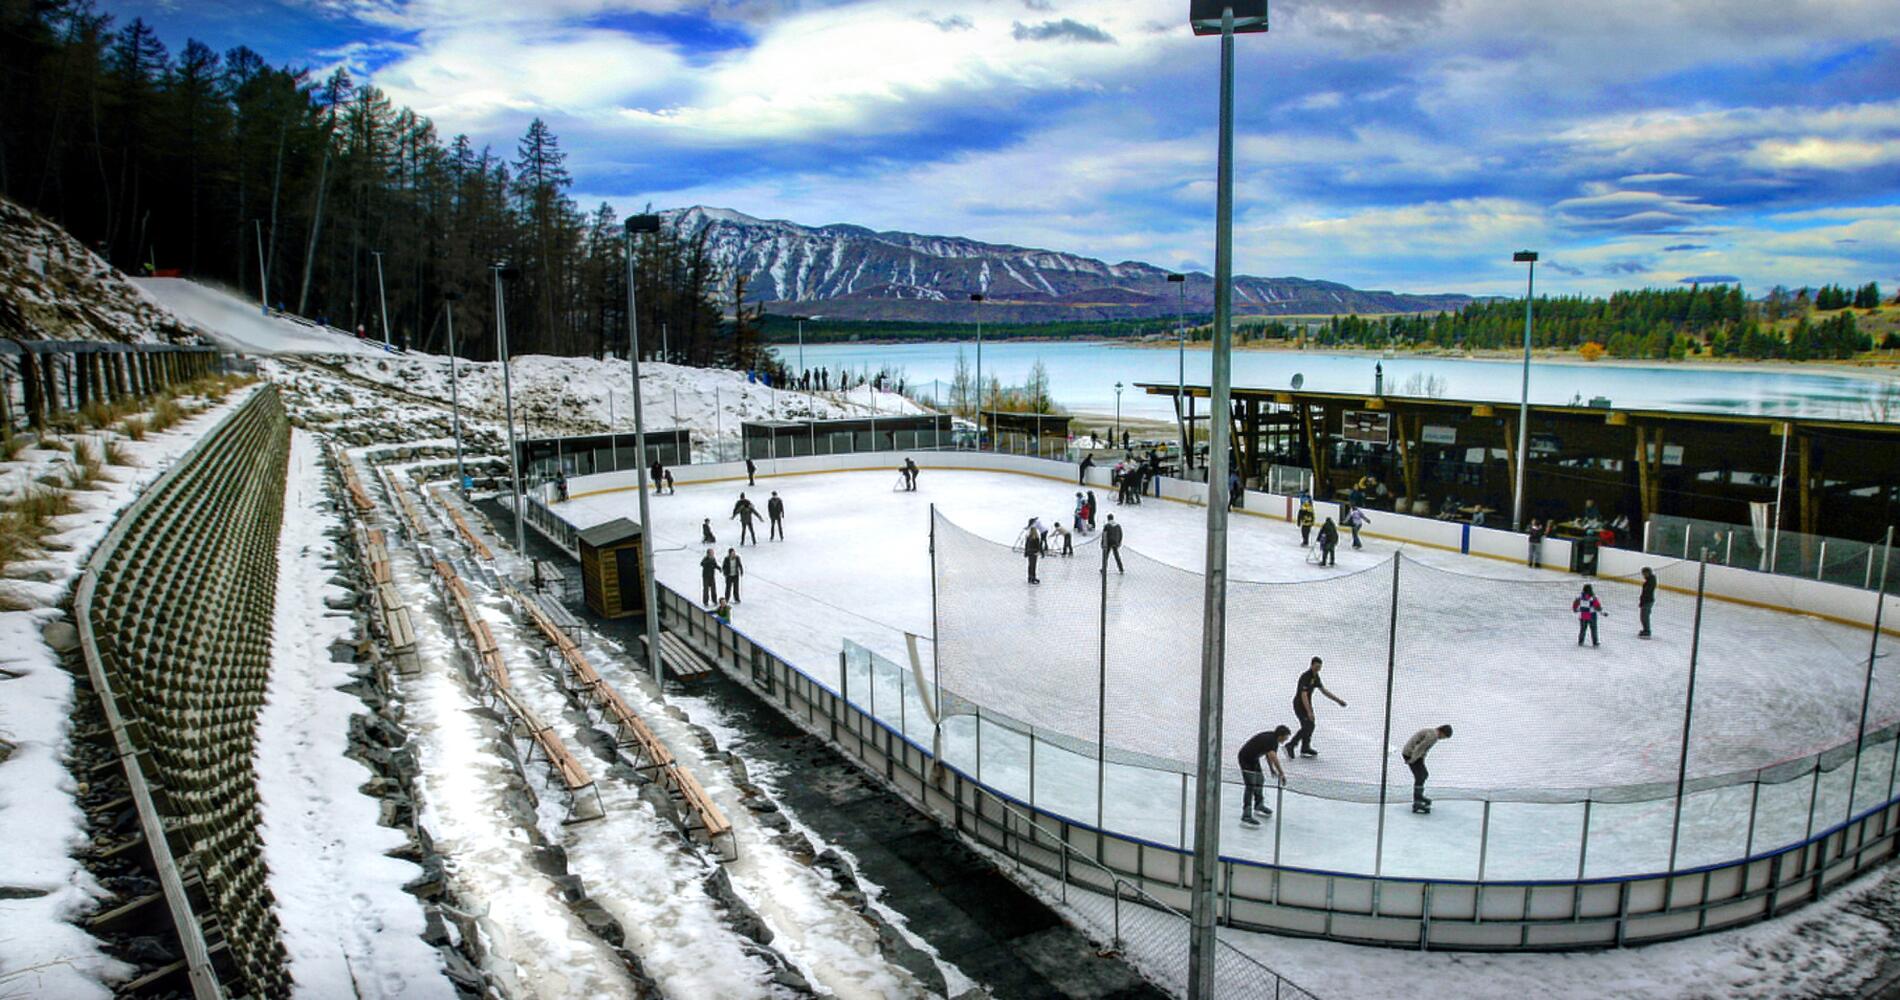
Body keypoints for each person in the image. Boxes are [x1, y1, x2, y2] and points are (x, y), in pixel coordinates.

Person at [1285, 657, 1346, 759]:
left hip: (1307, 704)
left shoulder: (1315, 677)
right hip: (1300, 705)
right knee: (1307, 726)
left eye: (1319, 667)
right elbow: (1303, 695)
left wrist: (1338, 700)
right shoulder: (1305, 677)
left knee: (1310, 725)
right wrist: (1309, 711)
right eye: (1316, 666)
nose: (1318, 669)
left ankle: (1305, 747)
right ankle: (1291, 745)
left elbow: (1323, 691)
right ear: (1312, 665)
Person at [1237, 725, 1291, 826]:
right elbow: (1273, 756)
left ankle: (1259, 804)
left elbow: (1268, 754)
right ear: (1281, 736)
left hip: (1253, 759)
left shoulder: (1273, 739)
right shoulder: (1271, 741)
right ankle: (1246, 814)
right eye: (1286, 737)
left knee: (1260, 780)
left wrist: (1271, 769)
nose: (1286, 739)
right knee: (1250, 786)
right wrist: (1281, 774)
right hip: (1245, 759)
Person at [1402, 725, 1453, 814]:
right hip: (1411, 754)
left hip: (1416, 756)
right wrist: (1412, 760)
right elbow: (1420, 747)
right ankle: (1417, 801)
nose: (1443, 739)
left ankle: (1419, 796)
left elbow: (1424, 750)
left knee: (1424, 775)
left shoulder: (1433, 734)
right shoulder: (1433, 736)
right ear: (1442, 732)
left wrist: (1421, 759)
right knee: (1420, 777)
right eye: (1444, 737)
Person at [1639, 567, 1657, 638]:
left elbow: (1647, 592)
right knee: (1644, 616)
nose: (1643, 575)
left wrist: (1642, 601)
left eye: (1644, 574)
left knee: (1644, 617)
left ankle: (1647, 631)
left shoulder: (1650, 581)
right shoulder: (1650, 580)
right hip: (1646, 601)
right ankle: (1645, 629)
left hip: (1647, 601)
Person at [1024, 518, 1044, 584]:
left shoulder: (1028, 537)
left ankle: (1030, 577)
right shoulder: (1036, 538)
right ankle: (1033, 578)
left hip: (1029, 552)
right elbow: (1038, 546)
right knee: (1034, 566)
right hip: (1034, 553)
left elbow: (1026, 545)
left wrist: (1026, 552)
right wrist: (1041, 552)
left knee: (1030, 565)